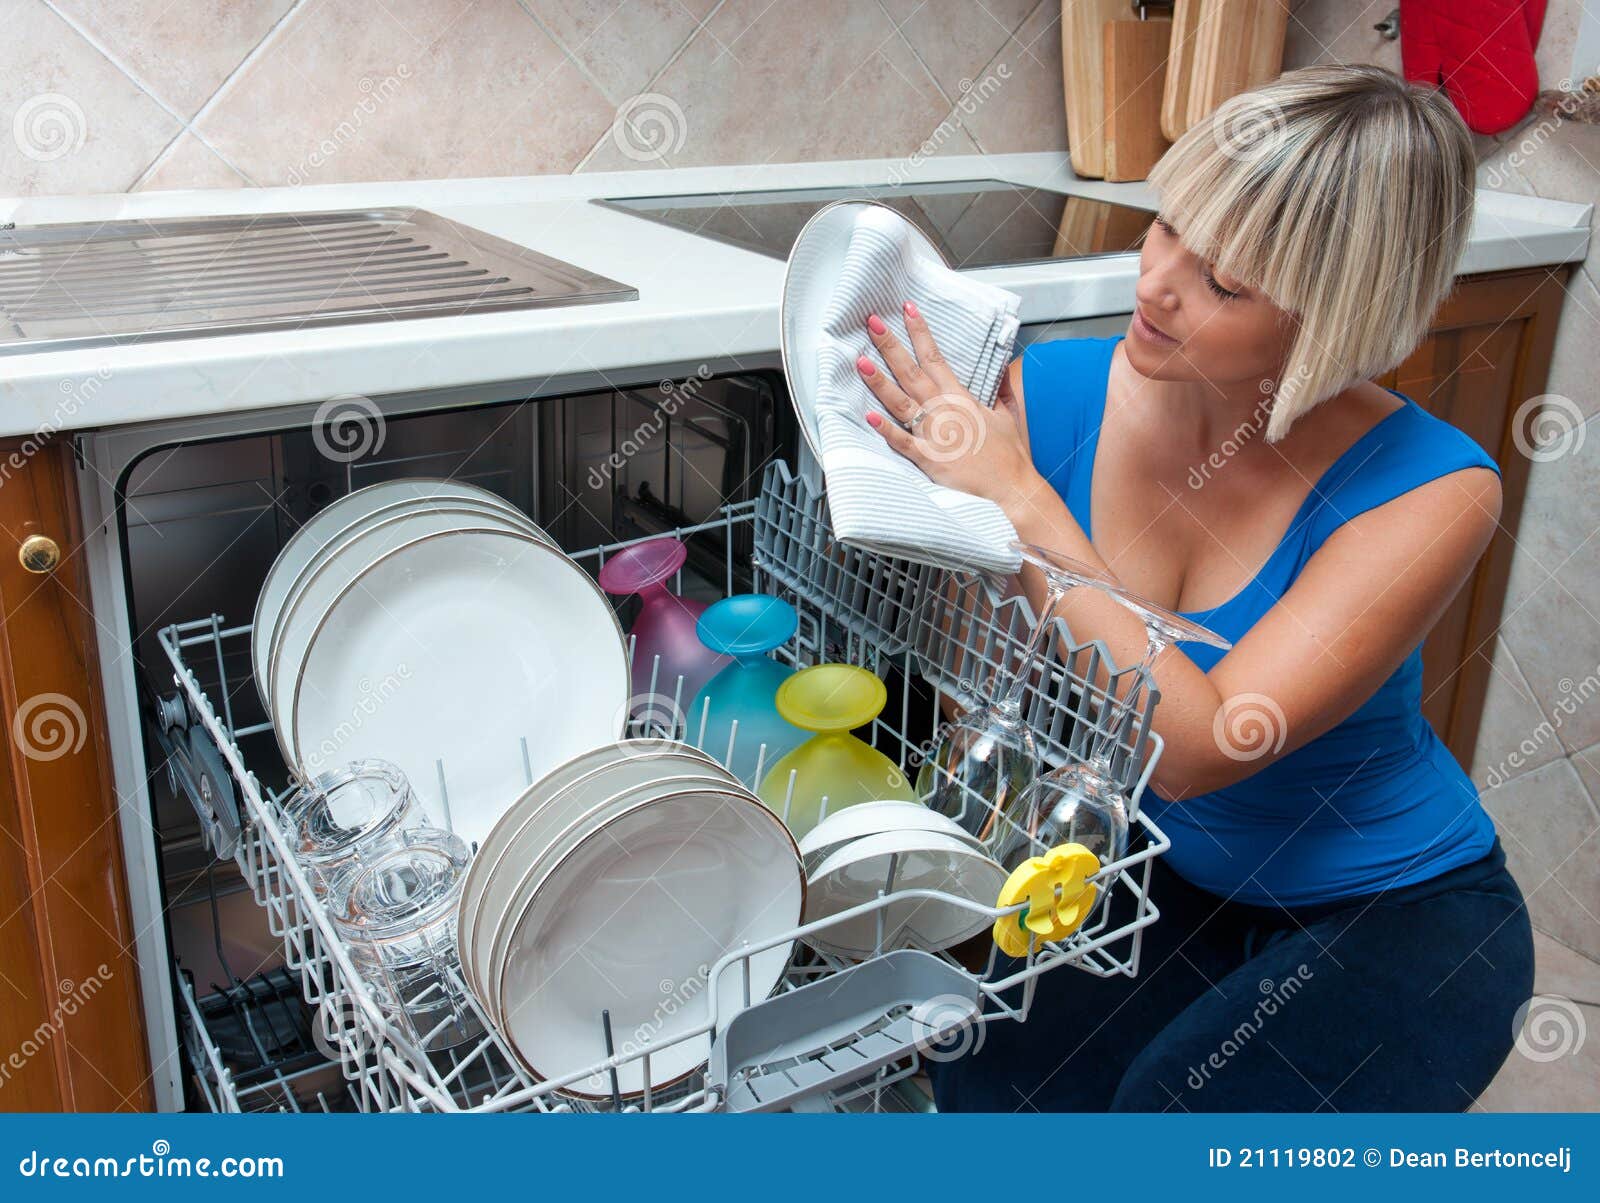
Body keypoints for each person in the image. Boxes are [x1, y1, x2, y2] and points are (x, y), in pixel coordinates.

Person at [856, 64, 1534, 1111]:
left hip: (1395, 907)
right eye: (1169, 224)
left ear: (1335, 314)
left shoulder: (1431, 490)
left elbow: (1207, 747)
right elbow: (979, 654)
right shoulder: (1048, 395)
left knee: (1177, 1121)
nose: (1155, 281)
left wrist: (1023, 505)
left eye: (1223, 282)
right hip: (1166, 876)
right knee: (987, 1072)